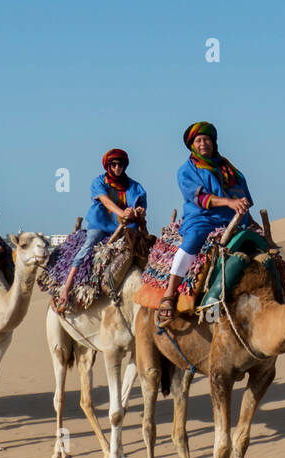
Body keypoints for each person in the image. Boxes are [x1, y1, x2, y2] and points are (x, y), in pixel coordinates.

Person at [157, 121, 254, 322]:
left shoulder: (230, 170)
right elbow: (200, 198)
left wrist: (250, 220)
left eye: (207, 139)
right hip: (203, 218)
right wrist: (229, 202)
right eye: (199, 140)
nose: (203, 143)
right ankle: (169, 293)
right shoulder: (187, 170)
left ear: (214, 142)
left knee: (266, 253)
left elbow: (243, 198)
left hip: (234, 220)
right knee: (193, 240)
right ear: (193, 145)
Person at [57, 148, 147, 312]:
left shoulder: (135, 187)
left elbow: (140, 206)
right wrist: (122, 213)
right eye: (113, 164)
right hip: (101, 224)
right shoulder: (99, 182)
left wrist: (137, 212)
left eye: (120, 164)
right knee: (88, 246)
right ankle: (67, 287)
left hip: (127, 228)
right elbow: (105, 201)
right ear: (108, 166)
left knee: (145, 249)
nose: (117, 168)